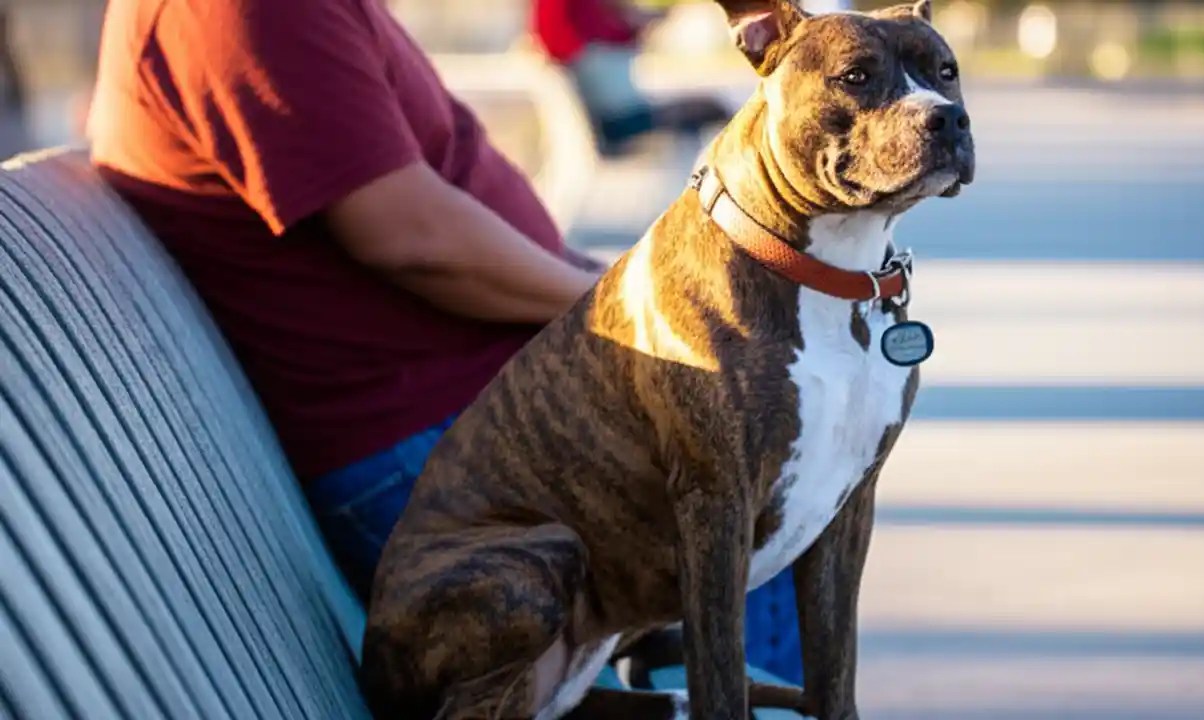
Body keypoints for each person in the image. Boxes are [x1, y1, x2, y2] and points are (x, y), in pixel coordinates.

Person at [88, 0, 803, 690]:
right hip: (433, 446)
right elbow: (411, 237)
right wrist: (638, 309)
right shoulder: (251, 9)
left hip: (472, 410)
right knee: (756, 487)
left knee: (781, 449)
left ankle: (702, 683)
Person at [529, 0, 730, 155]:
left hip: (623, 110)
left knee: (712, 106)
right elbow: (552, 32)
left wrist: (638, 24)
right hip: (618, 122)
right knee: (711, 107)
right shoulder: (577, 49)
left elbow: (607, 31)